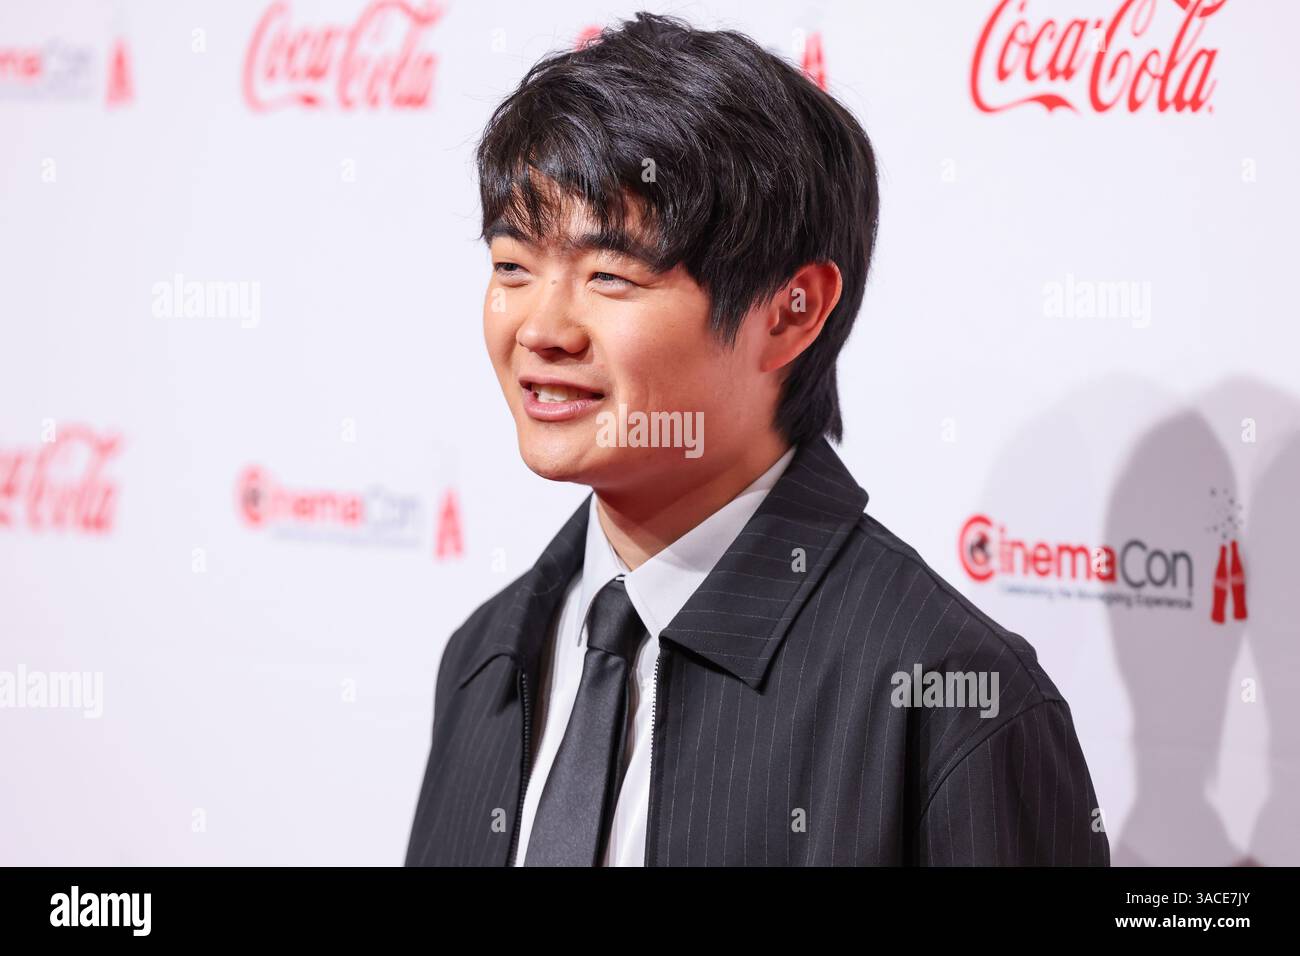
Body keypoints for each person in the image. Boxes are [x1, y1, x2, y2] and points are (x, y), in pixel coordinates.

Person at [405, 12, 1110, 866]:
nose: (542, 328)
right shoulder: (487, 656)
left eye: (610, 276)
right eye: (512, 266)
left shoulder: (950, 697)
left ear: (791, 312)